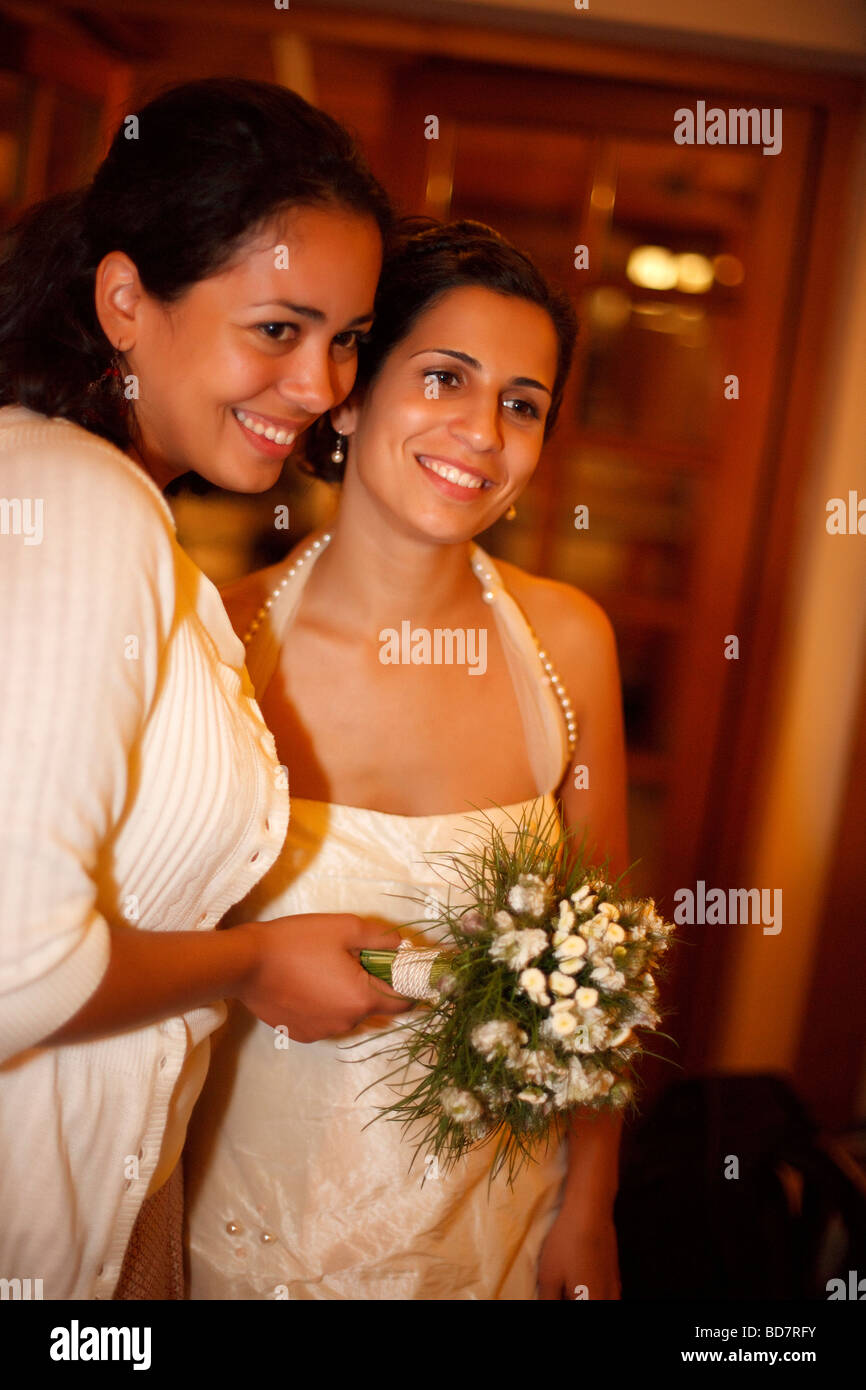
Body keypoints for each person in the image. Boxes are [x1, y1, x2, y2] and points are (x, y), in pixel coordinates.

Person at [0, 77, 409, 1302]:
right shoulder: (76, 500)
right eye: (277, 329)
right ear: (126, 299)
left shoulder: (94, 503)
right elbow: (16, 969)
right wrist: (249, 961)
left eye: (345, 339)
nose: (323, 384)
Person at [185, 219, 628, 1300]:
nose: (480, 430)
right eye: (442, 378)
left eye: (520, 404)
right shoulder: (213, 641)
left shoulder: (566, 641)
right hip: (240, 1225)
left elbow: (603, 969)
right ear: (348, 394)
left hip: (487, 1232)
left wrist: (588, 1209)